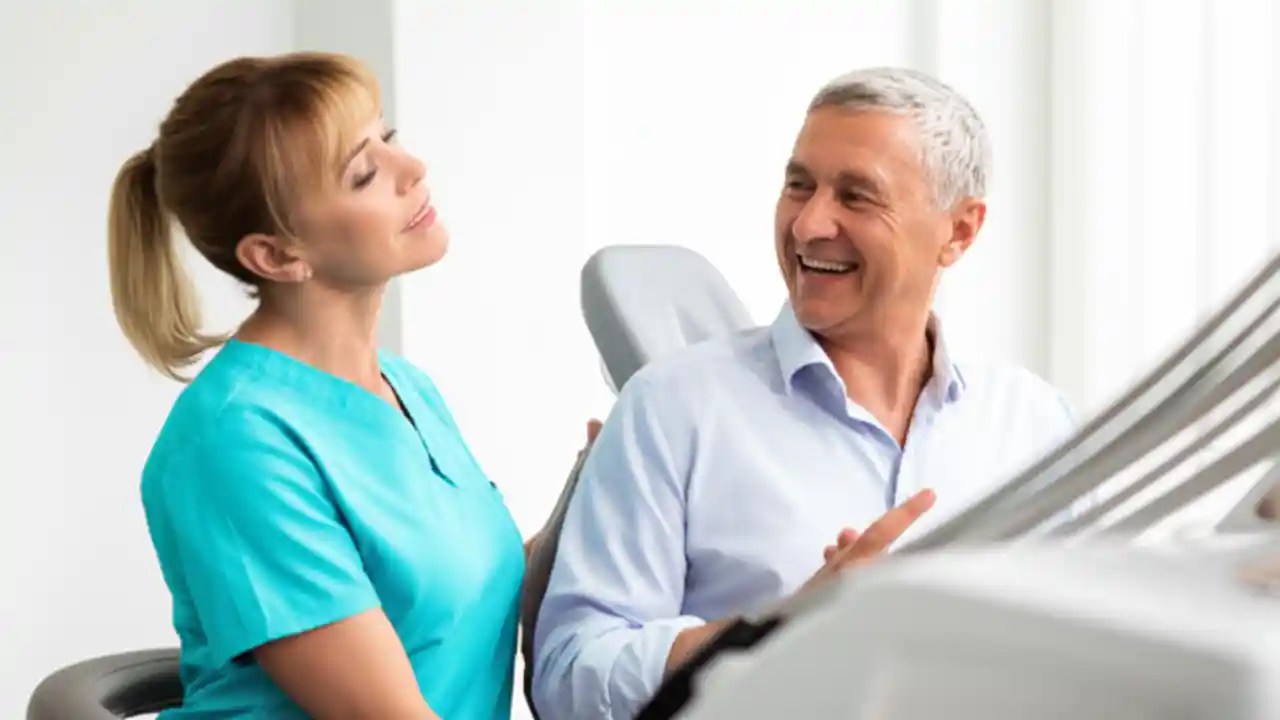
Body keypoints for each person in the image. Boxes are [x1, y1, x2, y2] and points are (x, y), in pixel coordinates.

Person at [531, 66, 1081, 720]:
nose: (810, 224)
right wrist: (783, 629)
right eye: (800, 186)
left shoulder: (1033, 423)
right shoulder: (671, 410)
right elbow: (567, 679)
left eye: (856, 196)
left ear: (959, 231)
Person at [107, 51, 587, 719]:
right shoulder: (236, 442)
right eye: (364, 173)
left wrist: (597, 485)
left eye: (385, 139)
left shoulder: (404, 387)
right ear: (276, 255)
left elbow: (467, 597)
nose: (412, 169)